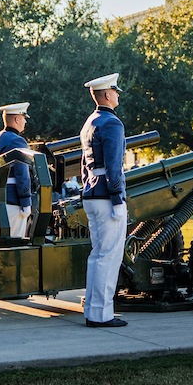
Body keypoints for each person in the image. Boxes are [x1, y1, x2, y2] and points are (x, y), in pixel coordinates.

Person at [80, 73, 128, 328]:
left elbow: (84, 167)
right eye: (115, 91)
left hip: (92, 193)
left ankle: (93, 310)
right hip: (107, 197)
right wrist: (118, 199)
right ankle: (101, 314)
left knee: (97, 255)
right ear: (107, 95)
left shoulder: (90, 122)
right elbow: (113, 168)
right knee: (109, 257)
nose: (118, 94)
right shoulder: (112, 123)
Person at [0, 102, 32, 238]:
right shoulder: (17, 141)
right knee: (14, 244)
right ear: (17, 119)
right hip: (11, 199)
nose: (25, 122)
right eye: (24, 118)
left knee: (0, 241)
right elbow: (22, 174)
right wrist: (25, 201)